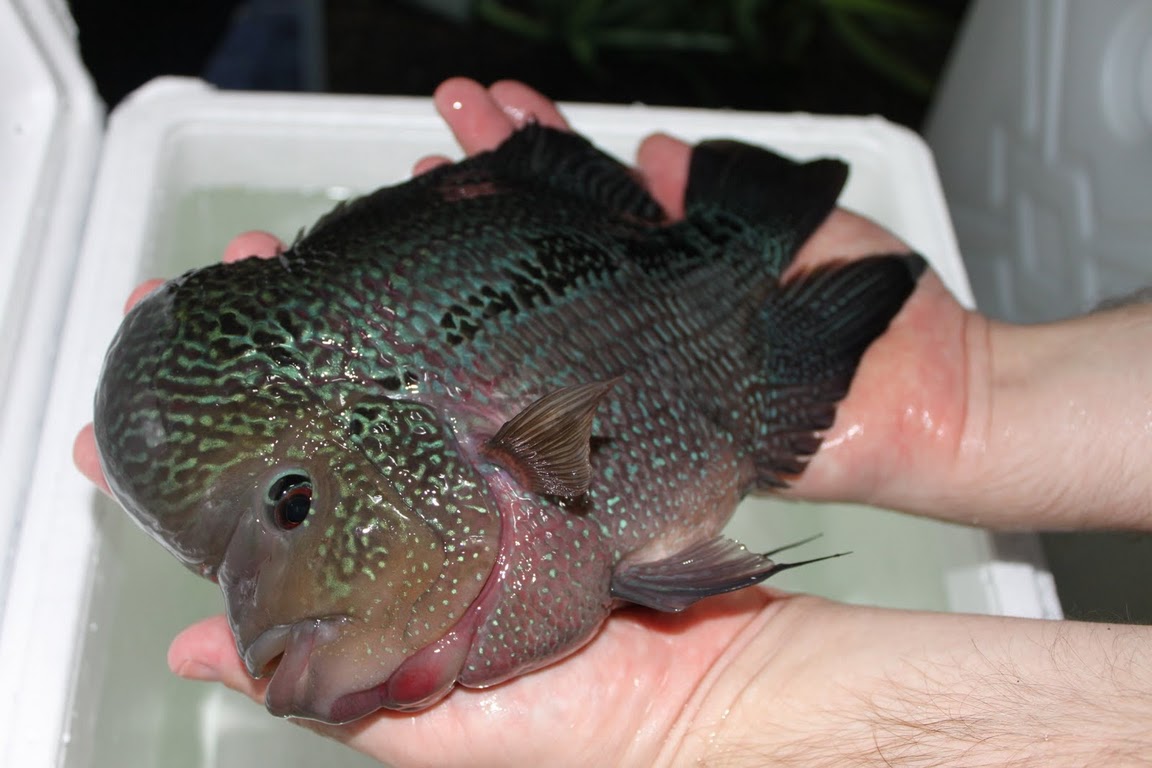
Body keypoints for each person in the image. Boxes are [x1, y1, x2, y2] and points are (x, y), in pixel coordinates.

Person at [73, 78, 1152, 767]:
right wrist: (985, 397)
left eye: (291, 505)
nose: (259, 597)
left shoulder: (491, 445)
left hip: (669, 305)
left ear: (382, 444)